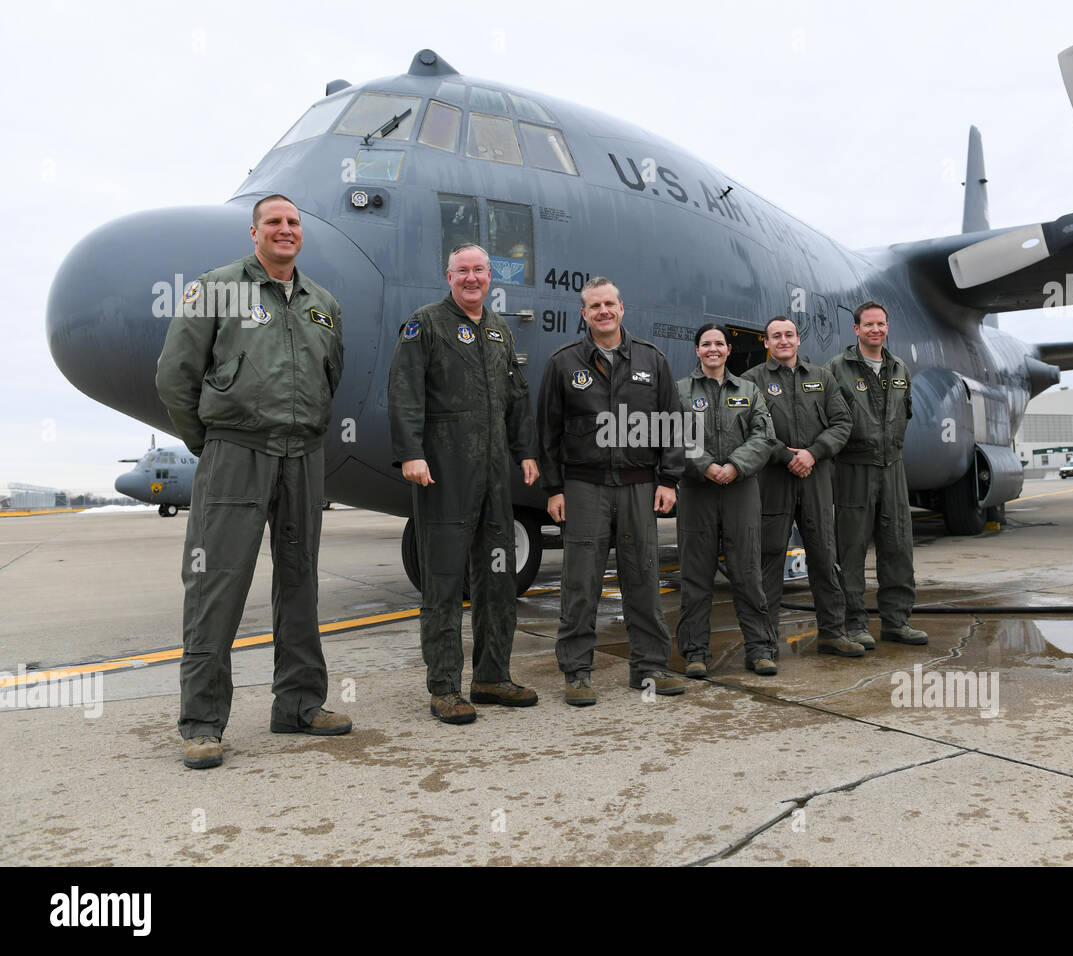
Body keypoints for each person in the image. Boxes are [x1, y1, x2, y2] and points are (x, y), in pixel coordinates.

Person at [156, 194, 351, 770]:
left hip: (302, 455)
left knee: (300, 582)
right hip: (236, 453)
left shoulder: (323, 303)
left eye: (293, 223)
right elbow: (175, 375)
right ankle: (201, 723)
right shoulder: (216, 288)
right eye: (275, 222)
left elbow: (328, 374)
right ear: (254, 232)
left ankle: (298, 705)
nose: (285, 230)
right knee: (215, 585)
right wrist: (211, 441)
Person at [388, 243, 540, 725]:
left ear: (490, 277)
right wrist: (411, 452)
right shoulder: (425, 324)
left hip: (495, 478)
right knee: (445, 583)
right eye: (462, 271)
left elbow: (517, 398)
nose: (471, 278)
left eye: (479, 270)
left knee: (498, 579)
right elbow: (404, 390)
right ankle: (445, 687)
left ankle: (492, 676)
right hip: (445, 472)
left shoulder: (499, 330)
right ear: (447, 275)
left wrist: (526, 453)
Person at [536, 278, 687, 705]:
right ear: (583, 314)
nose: (603, 311)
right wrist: (553, 488)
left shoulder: (651, 361)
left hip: (639, 487)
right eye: (594, 306)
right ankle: (578, 671)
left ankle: (650, 666)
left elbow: (670, 423)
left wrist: (669, 479)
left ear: (622, 308)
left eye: (609, 304)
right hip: (584, 487)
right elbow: (547, 431)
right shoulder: (563, 364)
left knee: (642, 576)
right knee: (580, 582)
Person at [742, 316, 862, 657]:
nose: (783, 340)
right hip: (772, 482)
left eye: (789, 335)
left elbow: (842, 423)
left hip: (816, 480)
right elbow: (754, 429)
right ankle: (763, 644)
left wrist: (813, 453)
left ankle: (832, 634)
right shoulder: (753, 381)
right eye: (776, 336)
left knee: (825, 556)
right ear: (766, 343)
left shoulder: (821, 378)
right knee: (768, 560)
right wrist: (785, 456)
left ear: (798, 340)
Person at [676, 324, 781, 676]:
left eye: (719, 344)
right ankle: (695, 653)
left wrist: (735, 466)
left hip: (741, 491)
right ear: (697, 350)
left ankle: (760, 648)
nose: (713, 349)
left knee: (748, 572)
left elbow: (764, 437)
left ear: (728, 350)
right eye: (705, 344)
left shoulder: (749, 391)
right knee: (695, 574)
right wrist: (705, 466)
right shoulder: (680, 392)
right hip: (697, 492)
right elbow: (672, 436)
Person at [825, 302, 928, 647]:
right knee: (850, 551)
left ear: (887, 327)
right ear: (856, 329)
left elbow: (906, 411)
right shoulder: (836, 369)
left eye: (880, 324)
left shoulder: (900, 368)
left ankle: (897, 622)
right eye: (868, 325)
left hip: (893, 467)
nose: (875, 330)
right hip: (854, 468)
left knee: (898, 546)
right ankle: (854, 624)